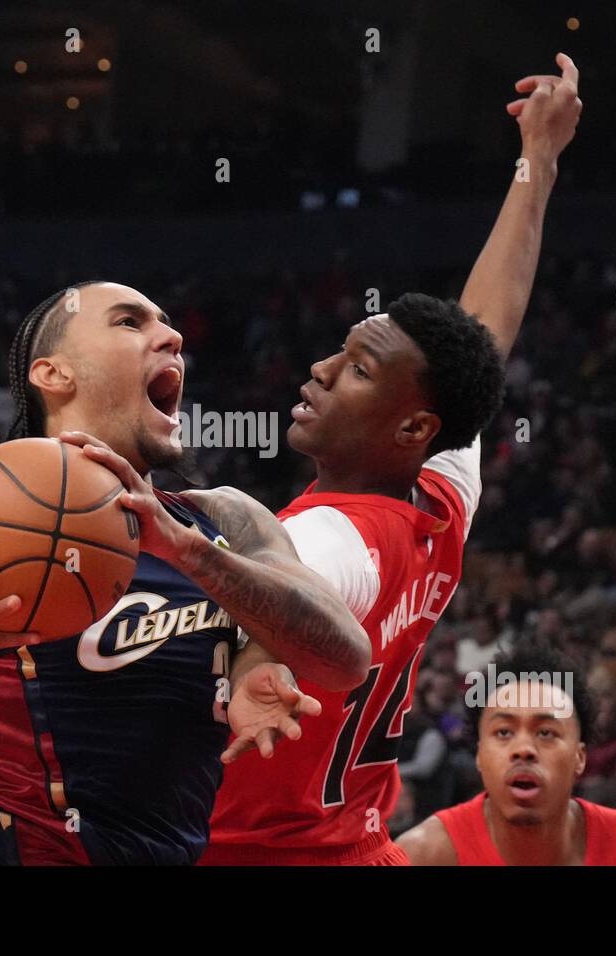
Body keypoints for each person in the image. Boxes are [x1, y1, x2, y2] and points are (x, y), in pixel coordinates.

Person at [0, 280, 369, 865]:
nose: (173, 337)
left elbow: (345, 658)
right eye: (130, 322)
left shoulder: (223, 518)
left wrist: (191, 555)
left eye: (169, 325)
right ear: (53, 374)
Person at [203, 53, 582, 866]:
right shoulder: (439, 496)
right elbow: (488, 329)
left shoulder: (334, 538)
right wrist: (537, 164)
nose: (320, 371)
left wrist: (253, 656)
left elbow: (304, 587)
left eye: (358, 370)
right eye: (338, 353)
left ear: (411, 427)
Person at [397, 643, 616, 865]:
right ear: (480, 756)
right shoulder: (422, 854)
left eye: (546, 733)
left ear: (580, 757)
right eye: (503, 733)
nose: (524, 750)